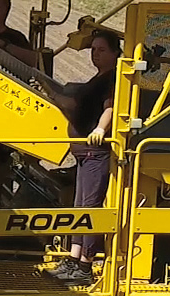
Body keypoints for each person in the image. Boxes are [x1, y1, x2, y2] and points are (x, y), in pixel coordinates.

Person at [42, 29, 121, 282]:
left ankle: (85, 266)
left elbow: (110, 106)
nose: (95, 55)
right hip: (83, 153)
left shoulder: (113, 79)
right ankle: (73, 259)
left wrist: (100, 128)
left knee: (90, 207)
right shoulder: (98, 77)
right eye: (93, 50)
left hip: (95, 152)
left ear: (115, 53)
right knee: (79, 206)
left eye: (101, 50)